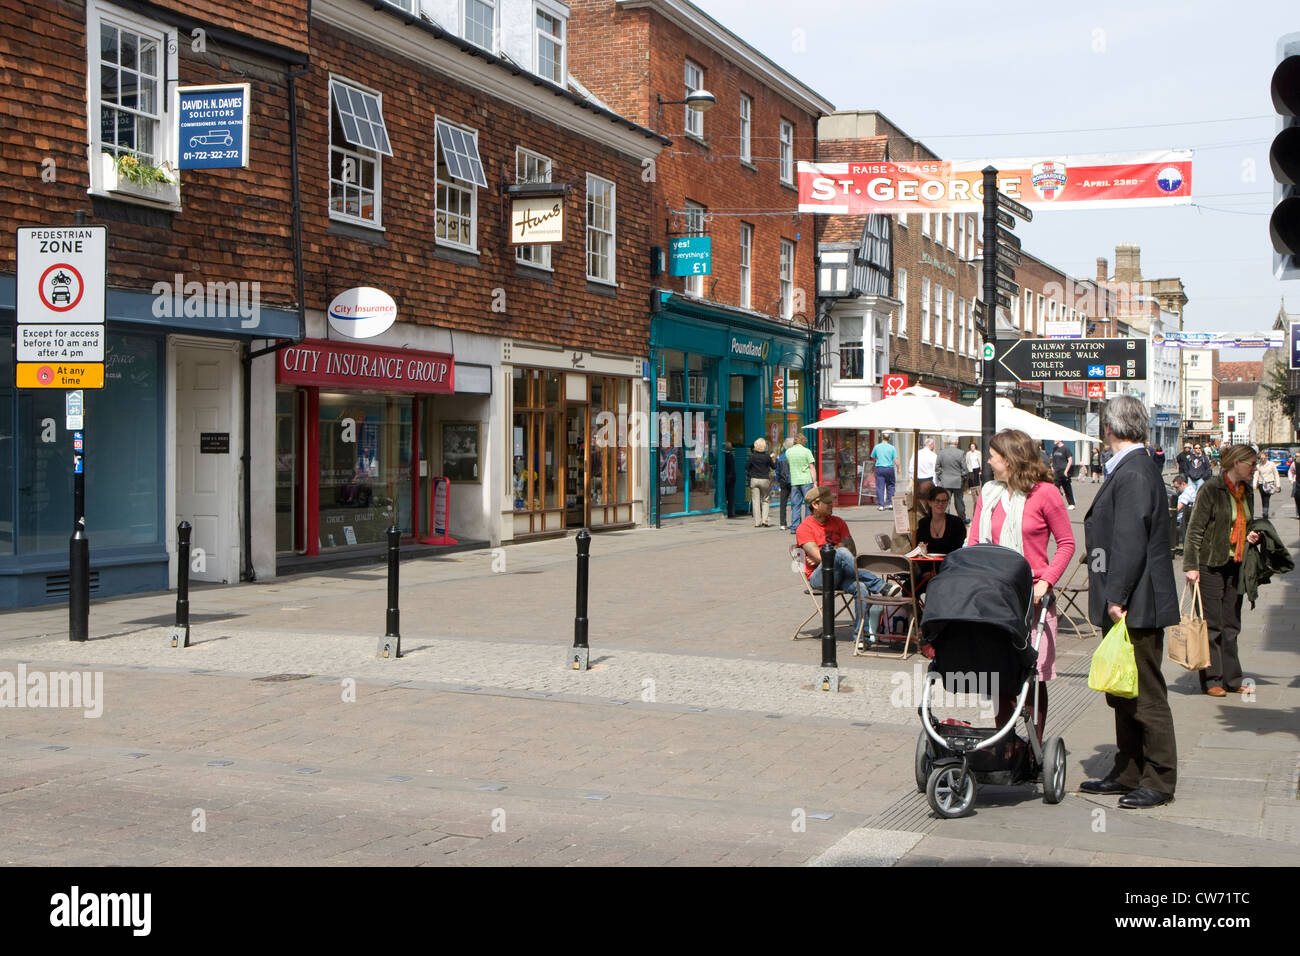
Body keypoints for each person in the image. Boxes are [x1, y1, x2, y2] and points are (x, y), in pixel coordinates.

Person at [1081, 395, 1180, 809]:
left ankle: (1158, 779)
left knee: (1144, 694)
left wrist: (1117, 595)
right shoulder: (1130, 469)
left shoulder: (1135, 472)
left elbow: (1131, 540)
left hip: (1136, 601)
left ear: (1109, 428)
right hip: (1127, 597)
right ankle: (1128, 769)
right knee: (1123, 690)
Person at [967, 429, 1076, 745]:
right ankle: (1005, 740)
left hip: (1032, 596)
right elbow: (975, 540)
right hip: (993, 594)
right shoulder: (989, 493)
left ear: (1010, 458)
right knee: (999, 671)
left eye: (993, 456)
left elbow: (1067, 543)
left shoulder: (1045, 493)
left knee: (1032, 674)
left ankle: (1034, 744)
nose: (988, 462)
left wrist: (1047, 580)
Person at [1183, 444, 1263, 698]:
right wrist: (1191, 566)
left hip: (1237, 563)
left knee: (1232, 623)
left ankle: (1232, 677)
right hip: (1210, 564)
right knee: (1212, 624)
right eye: (1251, 463)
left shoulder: (1246, 491)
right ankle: (1212, 679)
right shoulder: (1211, 489)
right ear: (1236, 463)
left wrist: (1253, 535)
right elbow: (1194, 529)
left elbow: (1247, 522)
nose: (1254, 468)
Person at [796, 486, 901, 631]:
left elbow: (852, 551)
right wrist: (837, 549)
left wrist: (830, 554)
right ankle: (879, 585)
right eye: (827, 503)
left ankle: (861, 636)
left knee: (862, 587)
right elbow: (821, 557)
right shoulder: (804, 528)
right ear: (815, 505)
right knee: (841, 553)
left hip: (843, 574)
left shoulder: (838, 522)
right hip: (819, 578)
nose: (831, 505)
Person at [917, 485, 966, 555]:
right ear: (930, 502)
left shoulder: (956, 523)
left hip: (951, 563)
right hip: (926, 564)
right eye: (937, 501)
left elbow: (958, 548)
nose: (940, 504)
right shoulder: (923, 523)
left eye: (944, 501)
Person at [784, 432, 817, 534]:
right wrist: (815, 482)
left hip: (795, 481)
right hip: (806, 480)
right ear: (803, 442)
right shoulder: (807, 451)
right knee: (808, 504)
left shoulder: (788, 452)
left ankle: (795, 527)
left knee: (795, 505)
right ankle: (807, 527)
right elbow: (812, 468)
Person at [746, 438, 774, 527]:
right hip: (765, 480)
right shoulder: (767, 456)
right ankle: (765, 520)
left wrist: (751, 473)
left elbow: (747, 467)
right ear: (764, 446)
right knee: (765, 499)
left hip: (754, 480)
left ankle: (757, 522)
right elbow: (774, 467)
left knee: (755, 501)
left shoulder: (752, 456)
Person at [870, 432, 898, 511]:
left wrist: (875, 463)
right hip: (889, 468)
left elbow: (873, 457)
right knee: (891, 486)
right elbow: (895, 460)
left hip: (880, 468)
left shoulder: (877, 447)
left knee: (880, 487)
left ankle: (881, 505)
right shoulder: (892, 447)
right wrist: (898, 468)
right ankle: (890, 504)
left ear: (882, 438)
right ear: (889, 438)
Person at [1050, 439, 1076, 511]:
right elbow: (1053, 460)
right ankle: (1057, 504)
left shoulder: (1065, 449)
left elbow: (1070, 460)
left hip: (1064, 471)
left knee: (1067, 488)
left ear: (1060, 440)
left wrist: (1066, 471)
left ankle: (1071, 504)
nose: (1054, 440)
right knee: (1055, 488)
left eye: (1055, 439)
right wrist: (1053, 468)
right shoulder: (1054, 449)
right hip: (1056, 471)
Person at [1172, 474, 1196, 552]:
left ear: (1183, 484)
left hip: (1181, 520)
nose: (1176, 490)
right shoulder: (1191, 488)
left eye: (1177, 487)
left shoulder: (1186, 494)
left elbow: (1177, 509)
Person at [1254, 452, 1280, 520]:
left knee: (1266, 498)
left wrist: (1278, 485)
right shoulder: (1258, 466)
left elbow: (1276, 474)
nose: (1262, 459)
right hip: (1261, 483)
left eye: (1264, 458)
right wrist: (1254, 485)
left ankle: (1265, 513)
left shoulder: (1271, 464)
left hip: (1269, 483)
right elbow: (1256, 475)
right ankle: (1264, 511)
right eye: (1261, 458)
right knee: (1263, 498)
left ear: (1266, 457)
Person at [775, 438, 793, 530]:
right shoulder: (794, 456)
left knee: (783, 503)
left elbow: (777, 471)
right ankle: (796, 522)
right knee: (795, 502)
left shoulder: (781, 457)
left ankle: (782, 523)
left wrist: (778, 480)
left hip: (783, 482)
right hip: (794, 481)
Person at [916, 437, 938, 511]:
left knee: (920, 500)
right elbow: (935, 470)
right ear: (931, 445)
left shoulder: (917, 453)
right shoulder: (933, 455)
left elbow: (911, 468)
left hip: (918, 479)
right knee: (930, 500)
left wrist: (914, 478)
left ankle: (921, 514)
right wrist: (935, 483)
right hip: (929, 480)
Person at [723, 442, 736, 518]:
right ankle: (730, 512)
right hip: (730, 478)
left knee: (724, 494)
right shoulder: (730, 456)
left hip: (726, 477)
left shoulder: (723, 456)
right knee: (730, 496)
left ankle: (726, 510)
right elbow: (732, 469)